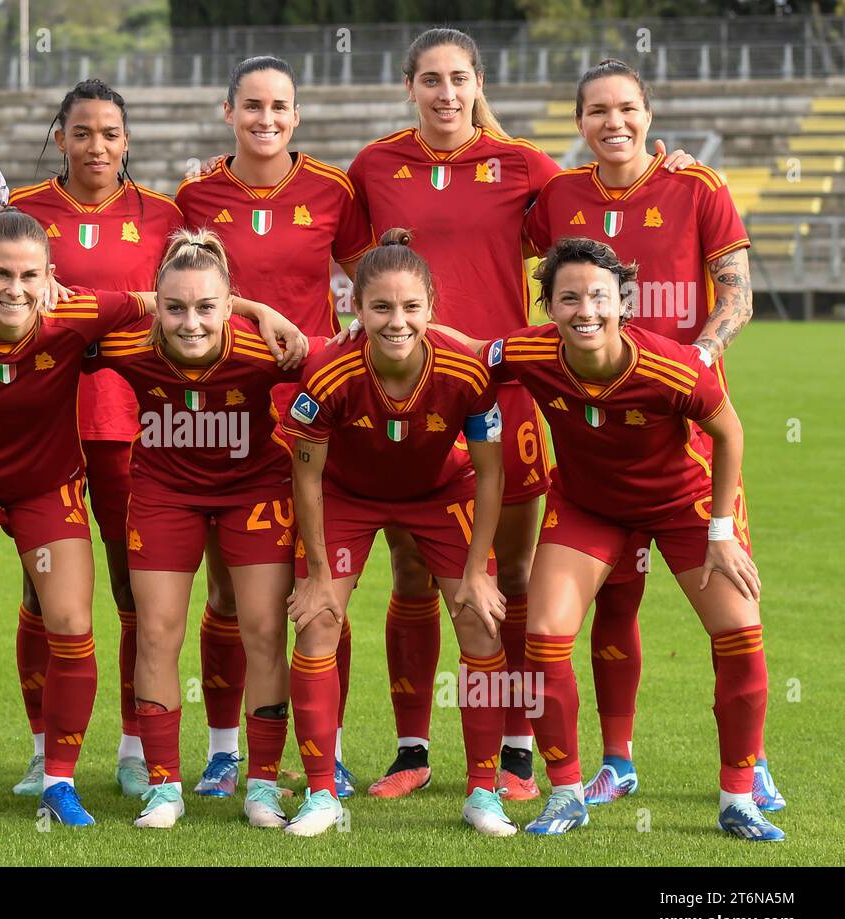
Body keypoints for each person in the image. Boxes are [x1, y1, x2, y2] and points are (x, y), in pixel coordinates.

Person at [345, 27, 694, 800]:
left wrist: (668, 168)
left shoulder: (526, 167)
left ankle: (515, 750)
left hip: (508, 394)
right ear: (409, 87)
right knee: (410, 572)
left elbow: (606, 204)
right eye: (430, 79)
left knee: (517, 576)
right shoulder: (374, 165)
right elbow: (345, 252)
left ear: (477, 84)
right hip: (411, 393)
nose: (445, 93)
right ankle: (411, 751)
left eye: (459, 78)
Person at [0, 209, 303, 830]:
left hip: (47, 484)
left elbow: (171, 297)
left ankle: (61, 779)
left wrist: (258, 312)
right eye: (0, 273)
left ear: (51, 277)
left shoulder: (80, 314)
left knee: (71, 623)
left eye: (31, 274)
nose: (15, 288)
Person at [525, 58, 783, 812]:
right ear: (578, 123)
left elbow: (737, 292)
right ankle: (616, 759)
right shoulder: (559, 196)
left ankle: (750, 763)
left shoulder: (696, 186)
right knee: (611, 605)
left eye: (628, 109)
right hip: (597, 439)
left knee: (732, 608)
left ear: (649, 114)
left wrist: (692, 361)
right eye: (598, 110)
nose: (615, 123)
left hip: (688, 439)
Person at [477, 237, 781, 841]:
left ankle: (738, 798)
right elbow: (461, 355)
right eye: (568, 298)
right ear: (549, 308)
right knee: (543, 635)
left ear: (624, 302)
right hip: (589, 506)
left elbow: (729, 432)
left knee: (741, 632)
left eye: (598, 296)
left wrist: (722, 533)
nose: (584, 309)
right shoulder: (527, 353)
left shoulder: (669, 366)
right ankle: (565, 794)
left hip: (681, 505)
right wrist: (366, 333)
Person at [175, 55, 375, 798]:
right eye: (252, 105)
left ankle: (331, 746)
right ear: (228, 112)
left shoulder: (333, 189)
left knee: (325, 587)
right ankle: (226, 750)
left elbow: (371, 279)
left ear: (297, 115)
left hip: (316, 416)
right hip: (227, 415)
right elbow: (184, 293)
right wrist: (256, 312)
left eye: (280, 106)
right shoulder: (196, 192)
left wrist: (345, 355)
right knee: (230, 595)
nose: (267, 118)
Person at [91, 228, 322, 829]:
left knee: (265, 630)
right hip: (165, 494)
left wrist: (258, 313)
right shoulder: (128, 346)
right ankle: (164, 787)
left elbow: (348, 354)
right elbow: (65, 317)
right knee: (156, 632)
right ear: (154, 305)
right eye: (174, 307)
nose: (190, 322)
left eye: (206, 307)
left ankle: (263, 786)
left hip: (253, 491)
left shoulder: (265, 350)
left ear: (227, 306)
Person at [283, 229, 511, 837]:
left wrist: (478, 571)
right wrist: (316, 575)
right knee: (316, 621)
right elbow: (305, 479)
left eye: (410, 307)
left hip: (442, 492)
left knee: (480, 618)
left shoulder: (464, 372)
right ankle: (322, 794)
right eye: (380, 307)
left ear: (433, 307)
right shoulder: (328, 373)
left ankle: (483, 792)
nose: (396, 321)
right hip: (347, 496)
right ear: (353, 309)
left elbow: (491, 476)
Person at [5, 79, 186, 800]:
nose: (97, 146)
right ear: (60, 138)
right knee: (42, 595)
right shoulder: (21, 213)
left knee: (133, 592)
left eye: (110, 133)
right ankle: (43, 750)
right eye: (82, 132)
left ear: (128, 140)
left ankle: (136, 746)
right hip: (43, 428)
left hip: (130, 428)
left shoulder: (163, 215)